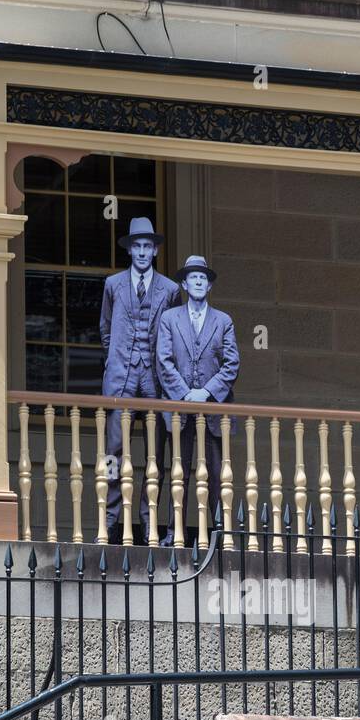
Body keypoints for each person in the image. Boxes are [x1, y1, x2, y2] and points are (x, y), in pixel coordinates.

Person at [99, 215, 180, 544]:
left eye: (149, 246)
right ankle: (109, 518)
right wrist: (117, 359)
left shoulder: (171, 290)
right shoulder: (113, 284)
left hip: (154, 380)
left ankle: (150, 524)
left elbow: (171, 333)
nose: (143, 252)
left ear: (155, 251)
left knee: (154, 456)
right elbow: (105, 330)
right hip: (121, 376)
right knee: (113, 452)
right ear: (130, 250)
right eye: (138, 246)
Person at [155, 254, 239, 546]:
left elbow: (231, 364)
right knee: (179, 473)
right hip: (180, 409)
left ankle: (220, 535)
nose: (199, 281)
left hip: (214, 411)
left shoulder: (223, 321)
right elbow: (164, 362)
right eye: (193, 277)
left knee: (217, 477)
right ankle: (173, 532)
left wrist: (205, 392)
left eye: (203, 277)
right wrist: (185, 394)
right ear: (184, 283)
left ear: (209, 286)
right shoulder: (169, 319)